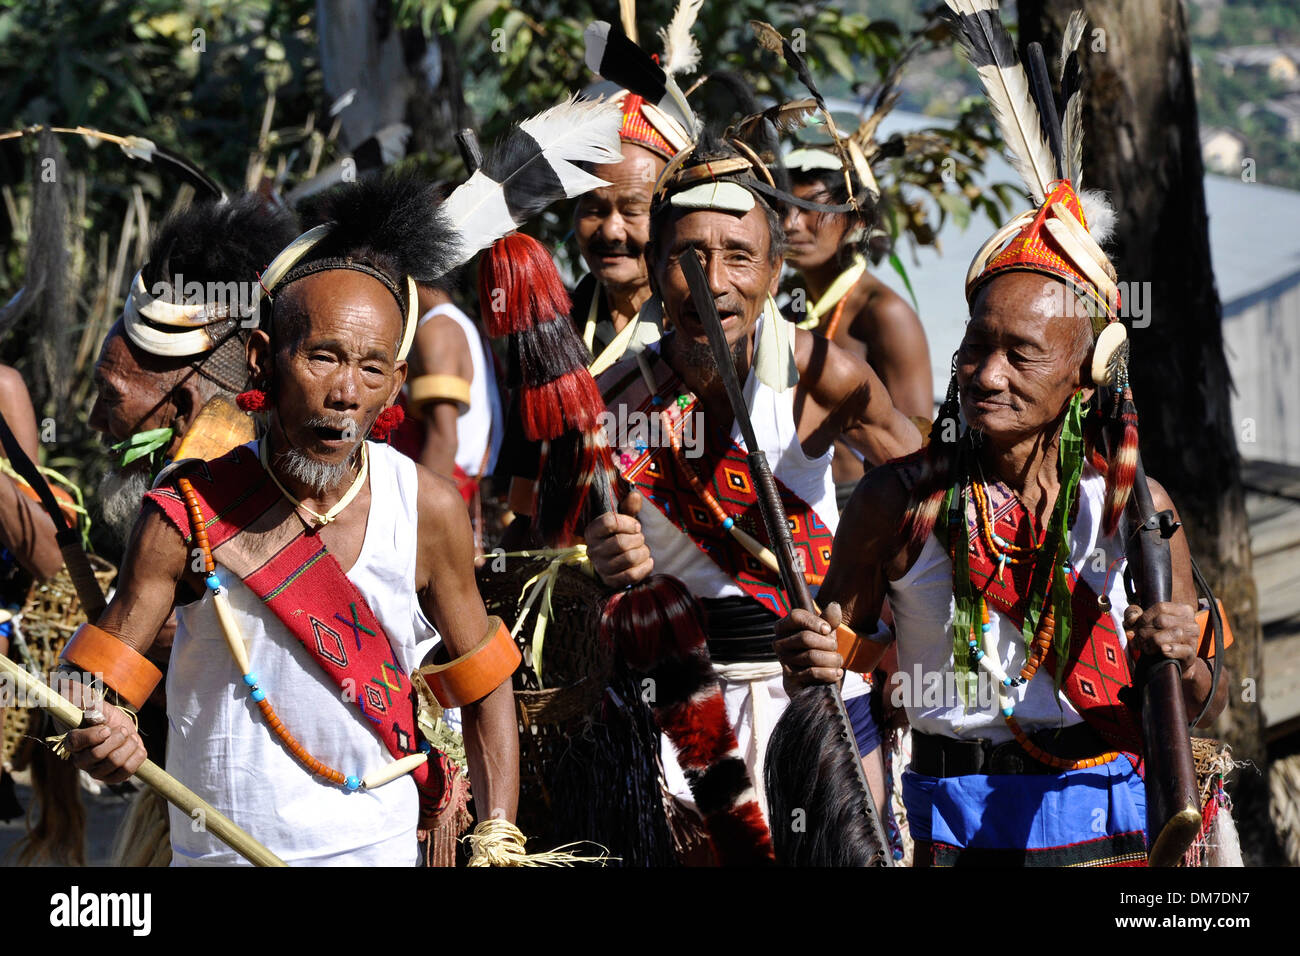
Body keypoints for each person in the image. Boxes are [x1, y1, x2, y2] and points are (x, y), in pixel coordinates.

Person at [774, 1, 1229, 866]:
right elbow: (832, 662)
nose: (986, 374)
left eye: (1022, 354)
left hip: (1116, 827)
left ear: (1088, 372)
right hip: (954, 831)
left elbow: (1202, 694)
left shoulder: (1135, 509)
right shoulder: (897, 502)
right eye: (976, 347)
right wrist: (815, 653)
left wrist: (1183, 651)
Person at [61, 173, 520, 865]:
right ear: (261, 361)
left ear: (397, 385)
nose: (345, 392)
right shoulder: (186, 511)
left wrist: (498, 836)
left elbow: (483, 681)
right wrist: (105, 729)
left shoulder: (425, 509)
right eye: (322, 357)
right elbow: (94, 685)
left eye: (372, 370)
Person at [583, 133, 919, 831]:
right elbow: (569, 548)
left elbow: (928, 501)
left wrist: (869, 630)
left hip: (816, 693)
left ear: (773, 271)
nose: (713, 281)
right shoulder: (615, 398)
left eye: (739, 256)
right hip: (682, 709)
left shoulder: (823, 377)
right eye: (688, 256)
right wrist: (604, 561)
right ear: (655, 266)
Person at [782, 147, 933, 494]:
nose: (791, 224)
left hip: (859, 505)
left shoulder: (883, 313)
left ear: (857, 218)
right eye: (782, 209)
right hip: (790, 498)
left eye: (810, 208)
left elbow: (918, 451)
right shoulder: (791, 314)